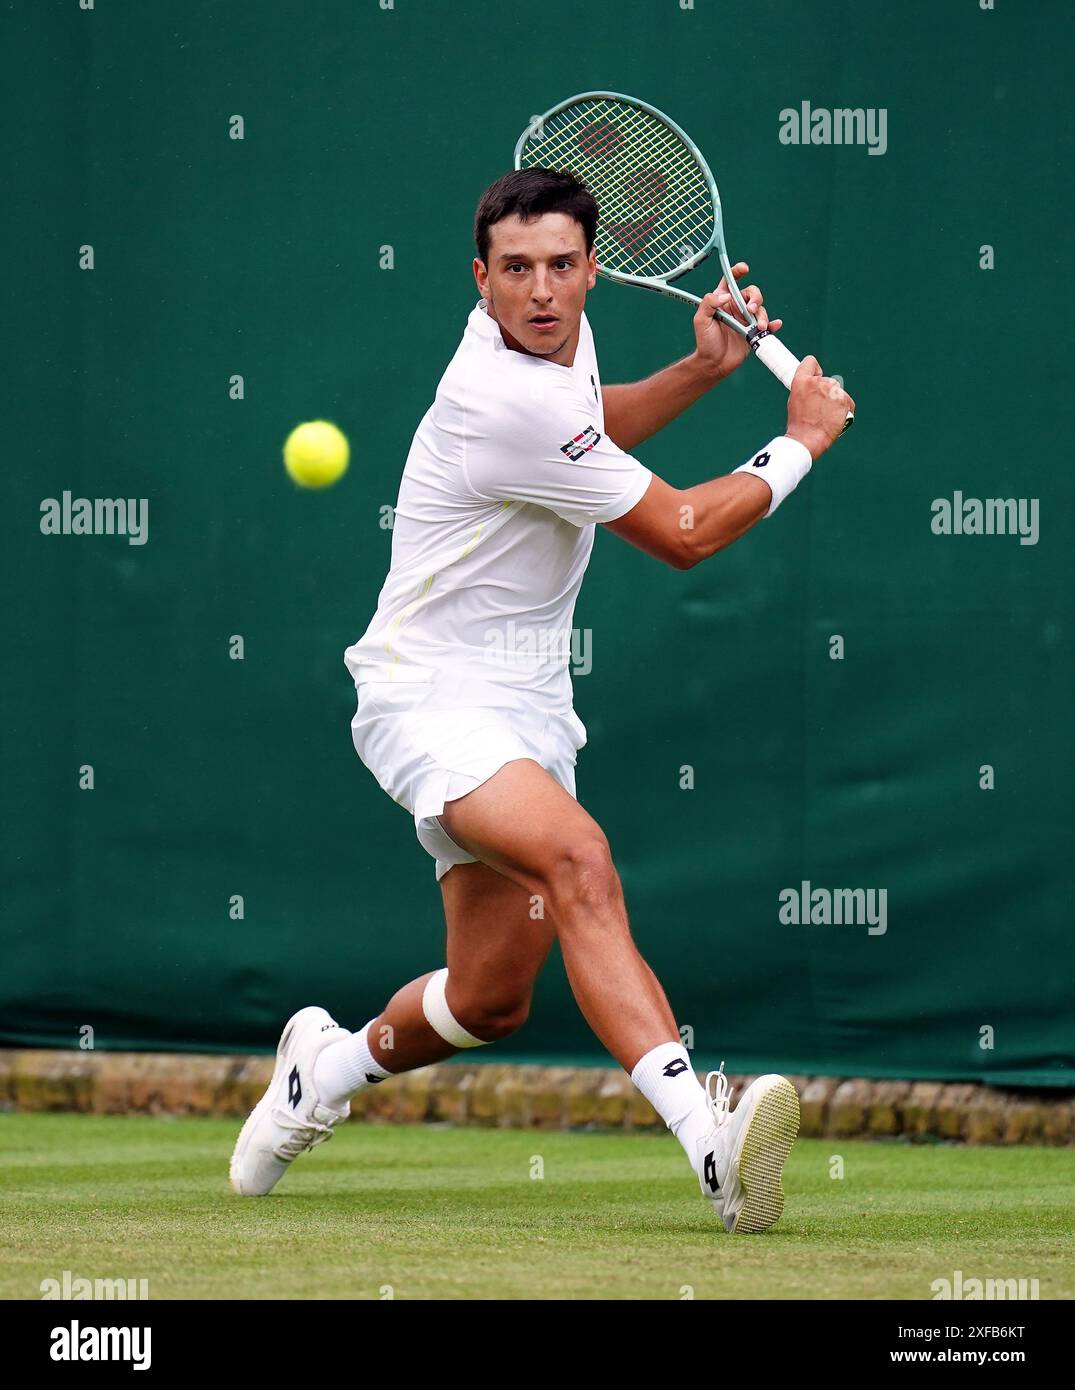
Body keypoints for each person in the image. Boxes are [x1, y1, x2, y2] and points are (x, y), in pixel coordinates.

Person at [230, 168, 854, 1233]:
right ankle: (710, 1142)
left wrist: (702, 370)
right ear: (481, 280)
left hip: (525, 705)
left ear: (592, 270)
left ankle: (320, 1073)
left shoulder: (560, 356)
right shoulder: (497, 394)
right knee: (579, 857)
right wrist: (799, 441)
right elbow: (683, 534)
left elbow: (592, 425)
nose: (541, 290)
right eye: (514, 270)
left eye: (562, 266)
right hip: (425, 693)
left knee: (487, 999)